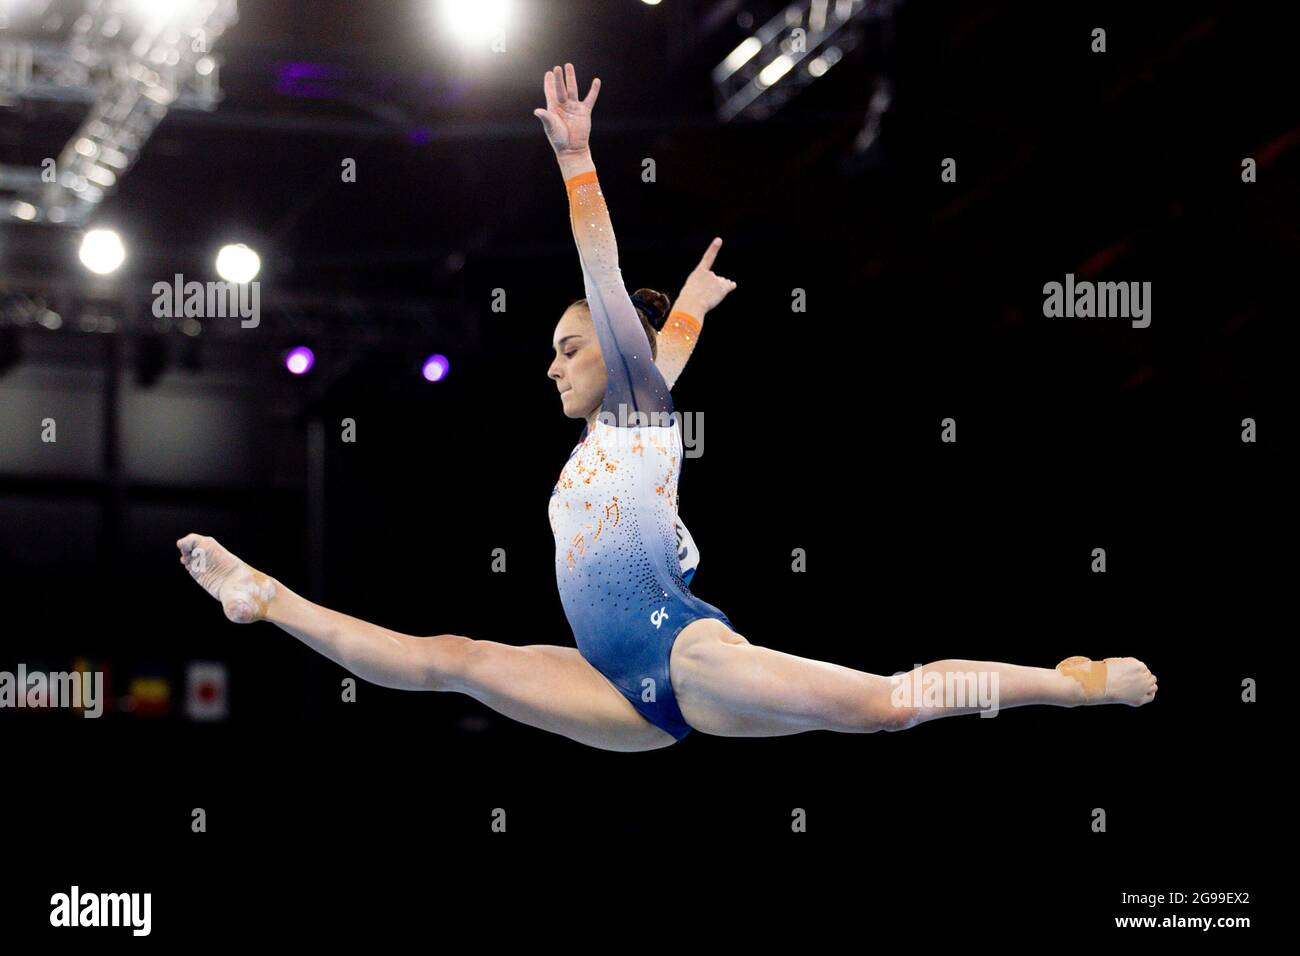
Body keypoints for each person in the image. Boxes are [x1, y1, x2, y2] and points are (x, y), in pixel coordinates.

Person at [176, 64, 1156, 753]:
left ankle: (1070, 681)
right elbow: (666, 350)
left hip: (682, 653)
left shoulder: (636, 406)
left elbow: (605, 280)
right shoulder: (630, 418)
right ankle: (264, 595)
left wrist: (576, 160)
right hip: (618, 688)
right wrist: (688, 308)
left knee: (888, 708)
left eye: (568, 348)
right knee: (452, 659)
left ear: (612, 351)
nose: (551, 367)